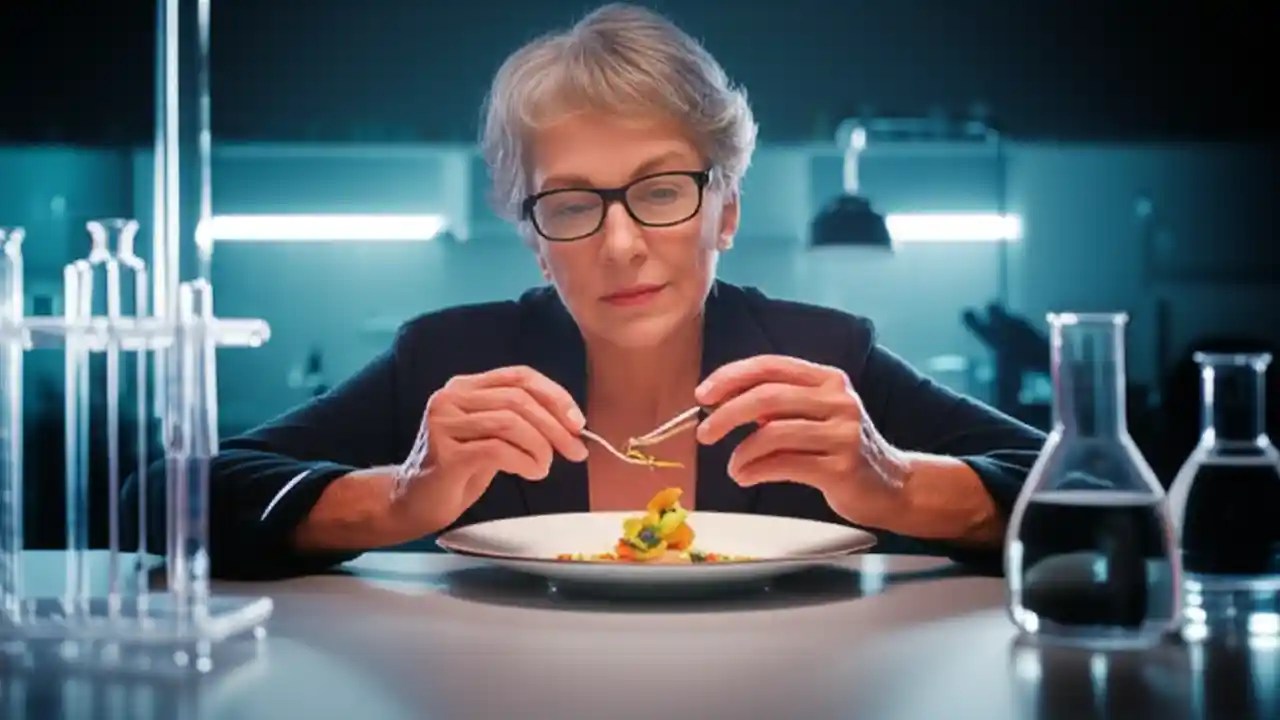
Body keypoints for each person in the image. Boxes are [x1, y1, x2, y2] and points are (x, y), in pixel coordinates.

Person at [129, 3, 1046, 579]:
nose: (619, 244)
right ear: (533, 237)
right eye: (570, 204)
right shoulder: (449, 362)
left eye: (659, 192)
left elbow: (1106, 503)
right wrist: (400, 499)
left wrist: (890, 483)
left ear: (724, 212)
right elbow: (155, 502)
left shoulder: (822, 360)